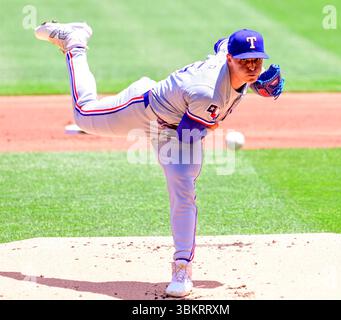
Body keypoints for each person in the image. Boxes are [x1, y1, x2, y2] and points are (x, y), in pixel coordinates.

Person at [34, 21, 284, 297]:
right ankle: (75, 42)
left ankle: (182, 267)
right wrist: (221, 116)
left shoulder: (228, 54)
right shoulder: (207, 93)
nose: (252, 67)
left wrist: (253, 80)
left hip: (177, 124)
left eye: (257, 61)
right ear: (229, 59)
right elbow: (189, 134)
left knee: (184, 189)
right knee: (84, 114)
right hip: (146, 111)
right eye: (244, 61)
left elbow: (221, 42)